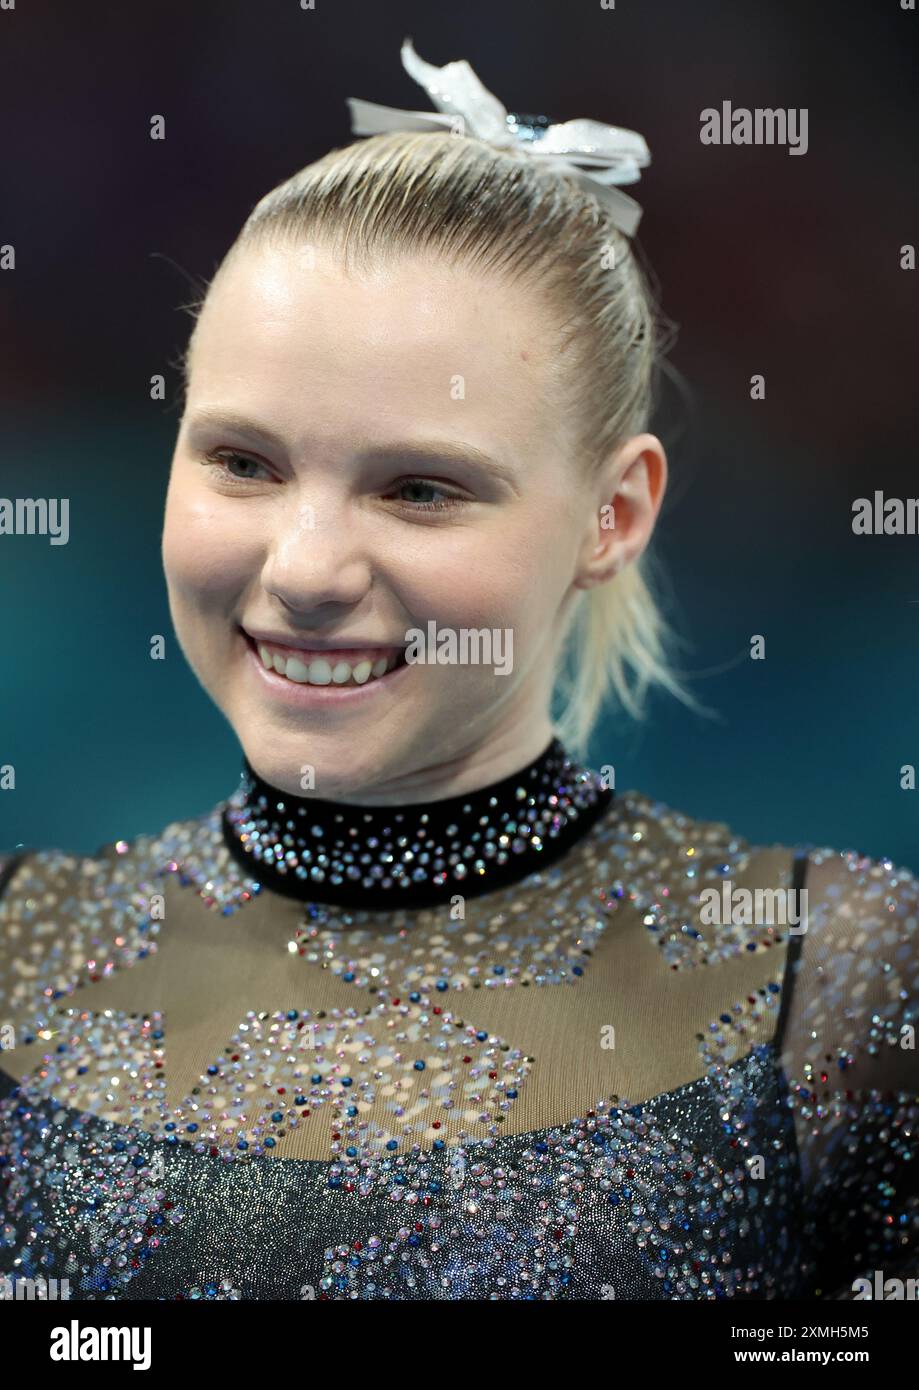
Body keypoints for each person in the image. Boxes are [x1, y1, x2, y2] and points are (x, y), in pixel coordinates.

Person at [0, 39, 915, 1303]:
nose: (308, 568)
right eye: (245, 463)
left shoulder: (831, 977)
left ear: (613, 515)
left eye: (419, 488)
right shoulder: (16, 951)